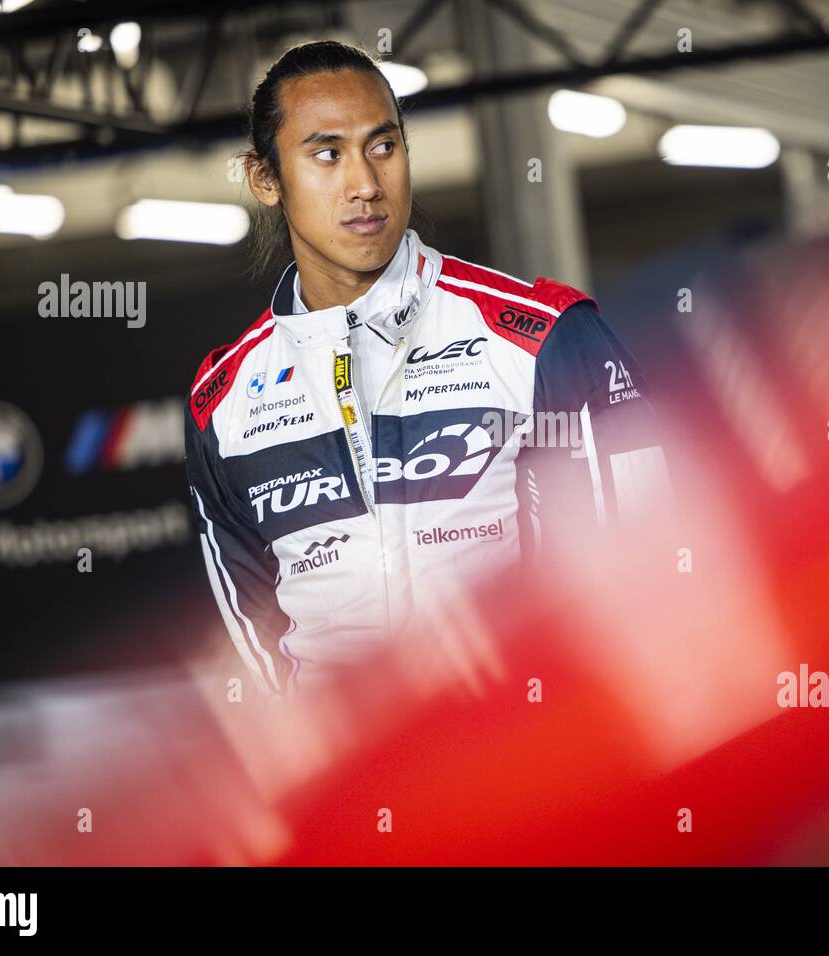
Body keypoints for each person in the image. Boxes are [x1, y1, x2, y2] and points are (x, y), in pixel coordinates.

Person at [184, 40, 671, 695]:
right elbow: (261, 652)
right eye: (327, 154)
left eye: (383, 147)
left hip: (536, 760)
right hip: (359, 782)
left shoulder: (543, 335)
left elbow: (651, 565)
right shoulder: (224, 403)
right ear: (265, 179)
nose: (365, 184)